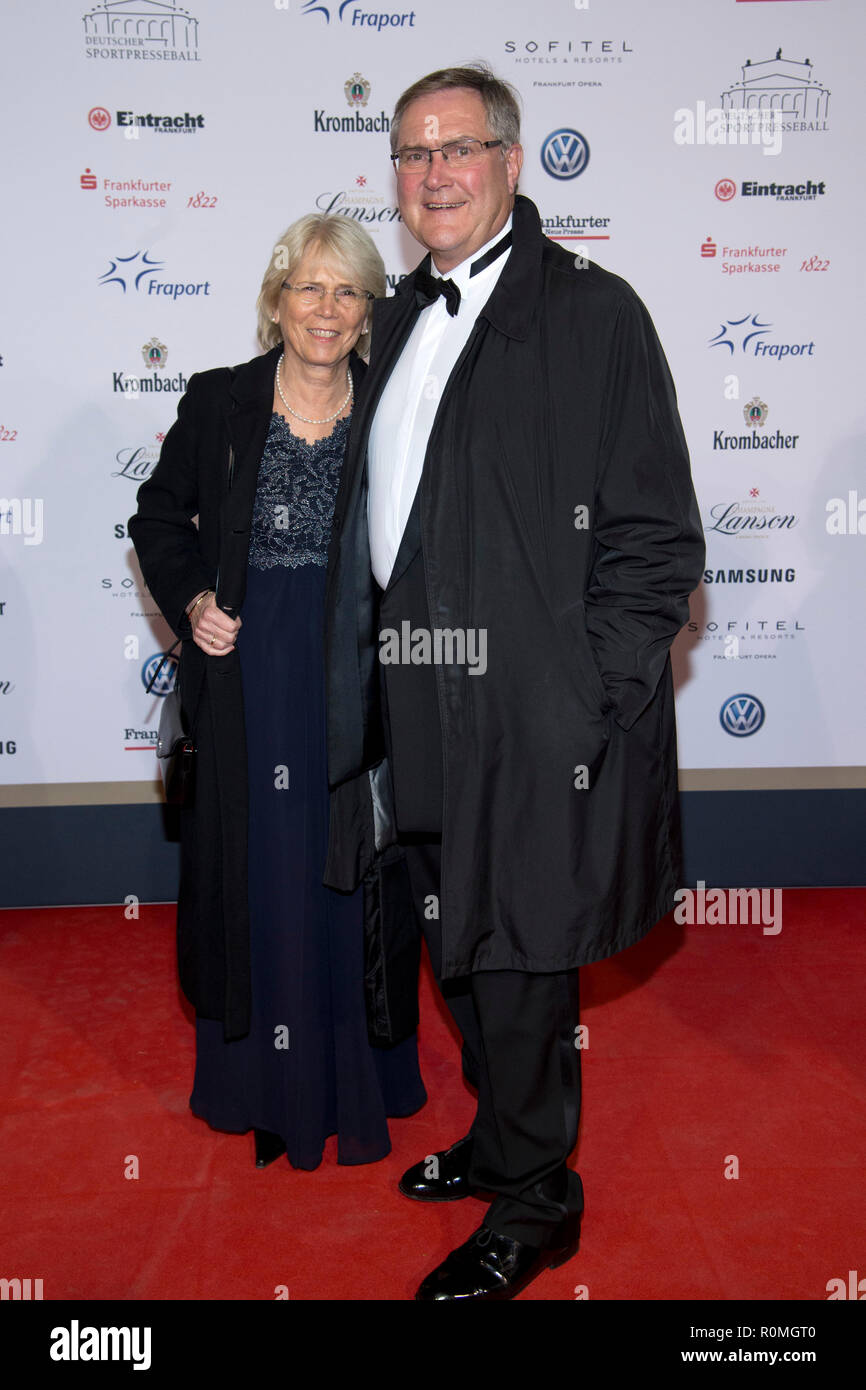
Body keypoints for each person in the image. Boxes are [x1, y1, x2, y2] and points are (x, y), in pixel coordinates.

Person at [324, 65, 705, 1298]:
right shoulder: (392, 320)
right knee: (454, 939)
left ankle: (538, 1198)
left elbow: (653, 542)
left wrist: (582, 699)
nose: (433, 172)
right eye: (411, 153)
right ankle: (497, 1141)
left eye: (458, 147)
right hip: (414, 694)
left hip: (534, 717)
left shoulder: (595, 315)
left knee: (526, 956)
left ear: (511, 160)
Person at [129, 214, 425, 1173]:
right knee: (257, 874)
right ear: (277, 300)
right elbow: (157, 514)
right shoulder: (220, 402)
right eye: (310, 288)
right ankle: (260, 1084)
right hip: (249, 674)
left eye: (348, 292)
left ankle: (356, 1082)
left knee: (351, 876)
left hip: (357, 677)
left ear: (368, 310)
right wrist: (192, 597)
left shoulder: (396, 405)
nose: (327, 310)